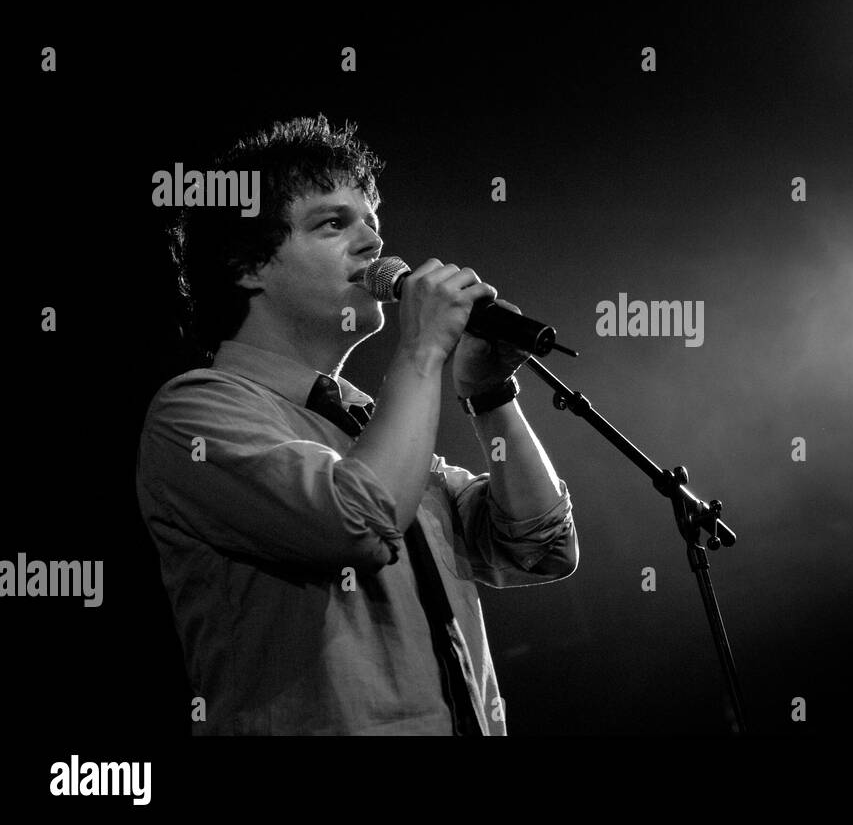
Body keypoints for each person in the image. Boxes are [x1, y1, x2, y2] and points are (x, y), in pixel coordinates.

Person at [135, 114, 578, 735]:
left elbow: (540, 548)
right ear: (246, 265)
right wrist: (422, 351)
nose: (375, 242)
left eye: (372, 220)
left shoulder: (367, 421)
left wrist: (489, 392)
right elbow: (359, 521)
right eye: (334, 223)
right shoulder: (196, 414)